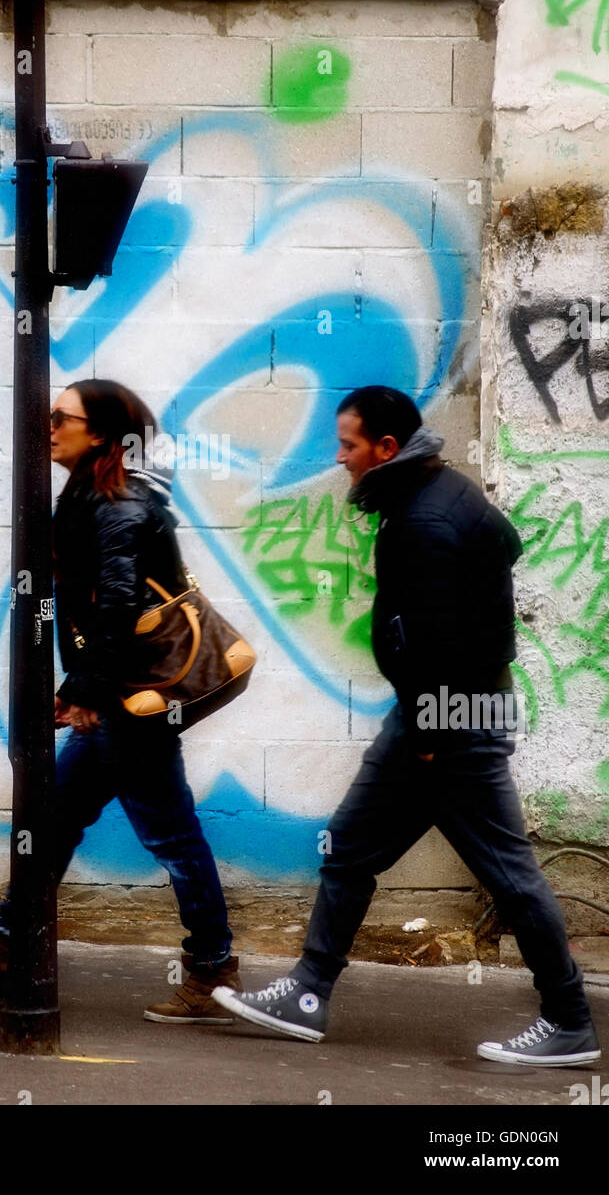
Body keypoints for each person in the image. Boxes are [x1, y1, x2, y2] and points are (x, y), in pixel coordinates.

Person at [213, 385, 601, 1067]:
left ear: (385, 448)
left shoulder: (423, 522)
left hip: (445, 726)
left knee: (508, 875)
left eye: (348, 445)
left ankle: (568, 1019)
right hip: (440, 718)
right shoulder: (441, 493)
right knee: (352, 848)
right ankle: (308, 992)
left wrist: (428, 737)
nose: (339, 459)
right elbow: (500, 549)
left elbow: (439, 645)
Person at [0, 378, 242, 1021]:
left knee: (171, 836)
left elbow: (119, 607)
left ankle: (211, 968)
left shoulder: (118, 504)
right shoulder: (88, 497)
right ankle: (9, 949)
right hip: (117, 697)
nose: (47, 424)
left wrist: (85, 693)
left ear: (98, 433)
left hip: (132, 704)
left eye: (59, 416)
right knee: (54, 821)